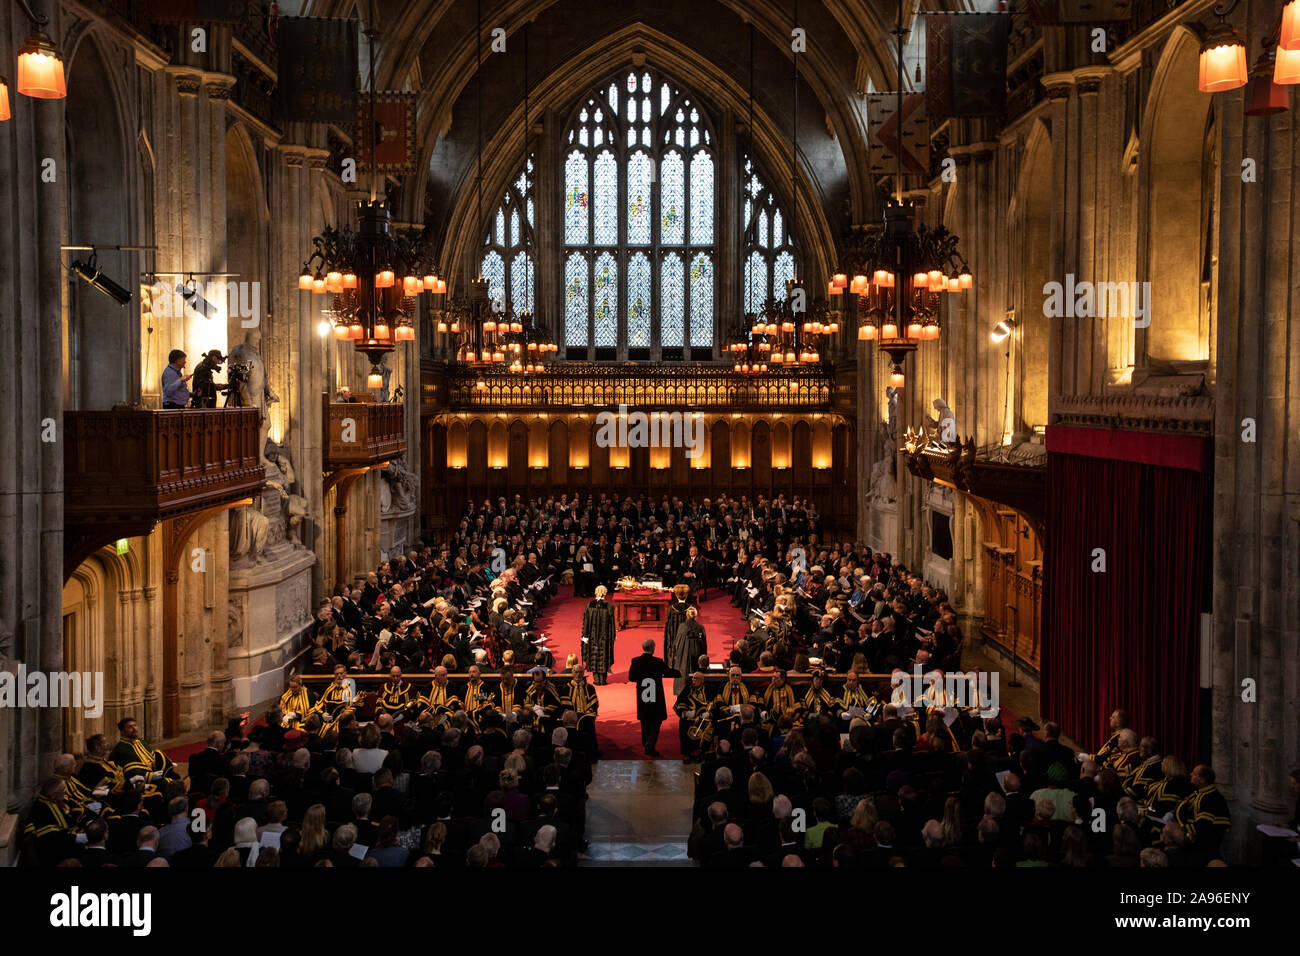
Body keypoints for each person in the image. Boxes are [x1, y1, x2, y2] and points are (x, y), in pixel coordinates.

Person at [627, 638, 680, 756]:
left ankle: (645, 742)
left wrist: (640, 679)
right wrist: (680, 672)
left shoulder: (635, 661)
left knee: (645, 720)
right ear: (653, 648)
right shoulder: (658, 662)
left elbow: (631, 677)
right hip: (656, 698)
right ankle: (650, 745)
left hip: (643, 697)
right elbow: (669, 672)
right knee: (656, 721)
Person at [580, 586, 616, 685]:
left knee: (594, 655)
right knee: (603, 656)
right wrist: (613, 636)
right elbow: (612, 624)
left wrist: (585, 635)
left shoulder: (589, 605)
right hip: (605, 637)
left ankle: (596, 679)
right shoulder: (609, 606)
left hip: (592, 636)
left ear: (596, 593)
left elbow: (586, 622)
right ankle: (602, 680)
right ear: (605, 593)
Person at [670, 605, 707, 695]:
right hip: (696, 655)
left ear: (687, 615)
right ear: (695, 615)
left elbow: (676, 643)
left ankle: (681, 691)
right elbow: (703, 644)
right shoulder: (700, 627)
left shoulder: (682, 627)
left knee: (683, 671)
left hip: (682, 656)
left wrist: (675, 655)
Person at [663, 584, 692, 667]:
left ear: (676, 595)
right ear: (686, 595)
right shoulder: (691, 608)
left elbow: (668, 626)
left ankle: (672, 664)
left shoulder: (671, 608)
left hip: (674, 636)